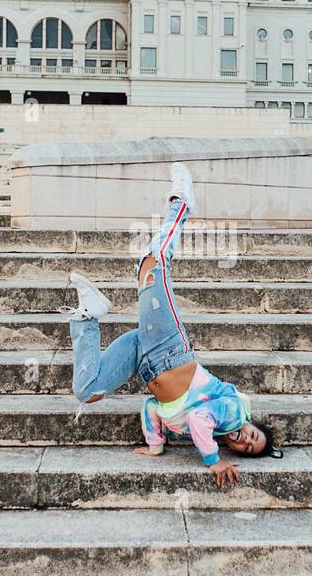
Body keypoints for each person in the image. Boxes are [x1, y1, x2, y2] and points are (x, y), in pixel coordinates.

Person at [66, 163, 281, 488]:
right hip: (169, 352)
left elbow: (152, 407)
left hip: (146, 363)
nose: (245, 439)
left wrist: (155, 446)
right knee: (153, 265)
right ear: (252, 423)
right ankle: (181, 204)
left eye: (247, 448)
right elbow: (199, 417)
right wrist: (212, 460)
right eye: (252, 436)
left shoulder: (203, 429)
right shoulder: (233, 412)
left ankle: (87, 315)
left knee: (89, 390)